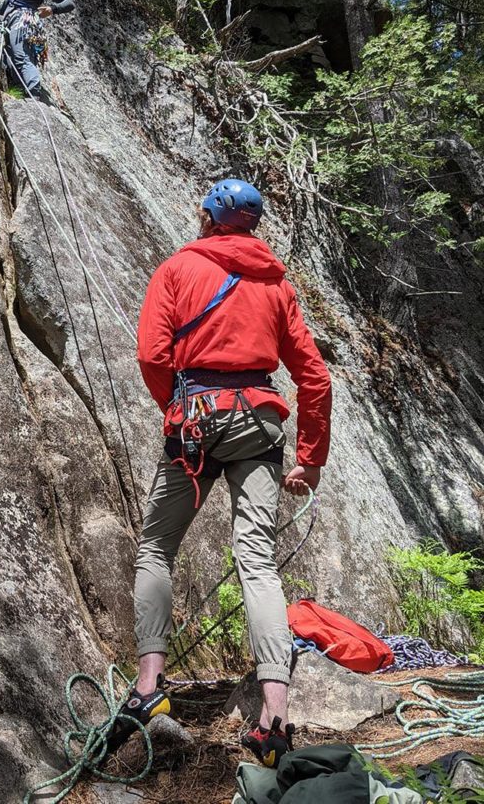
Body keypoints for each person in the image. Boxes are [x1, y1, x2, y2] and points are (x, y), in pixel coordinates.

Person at [115, 178, 332, 768]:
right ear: (253, 225)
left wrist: (176, 408)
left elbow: (151, 355)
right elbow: (314, 377)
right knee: (256, 559)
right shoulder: (275, 283)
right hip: (257, 424)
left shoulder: (178, 269)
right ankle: (274, 717)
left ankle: (148, 689)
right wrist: (311, 457)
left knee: (158, 547)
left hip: (196, 422)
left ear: (208, 217)